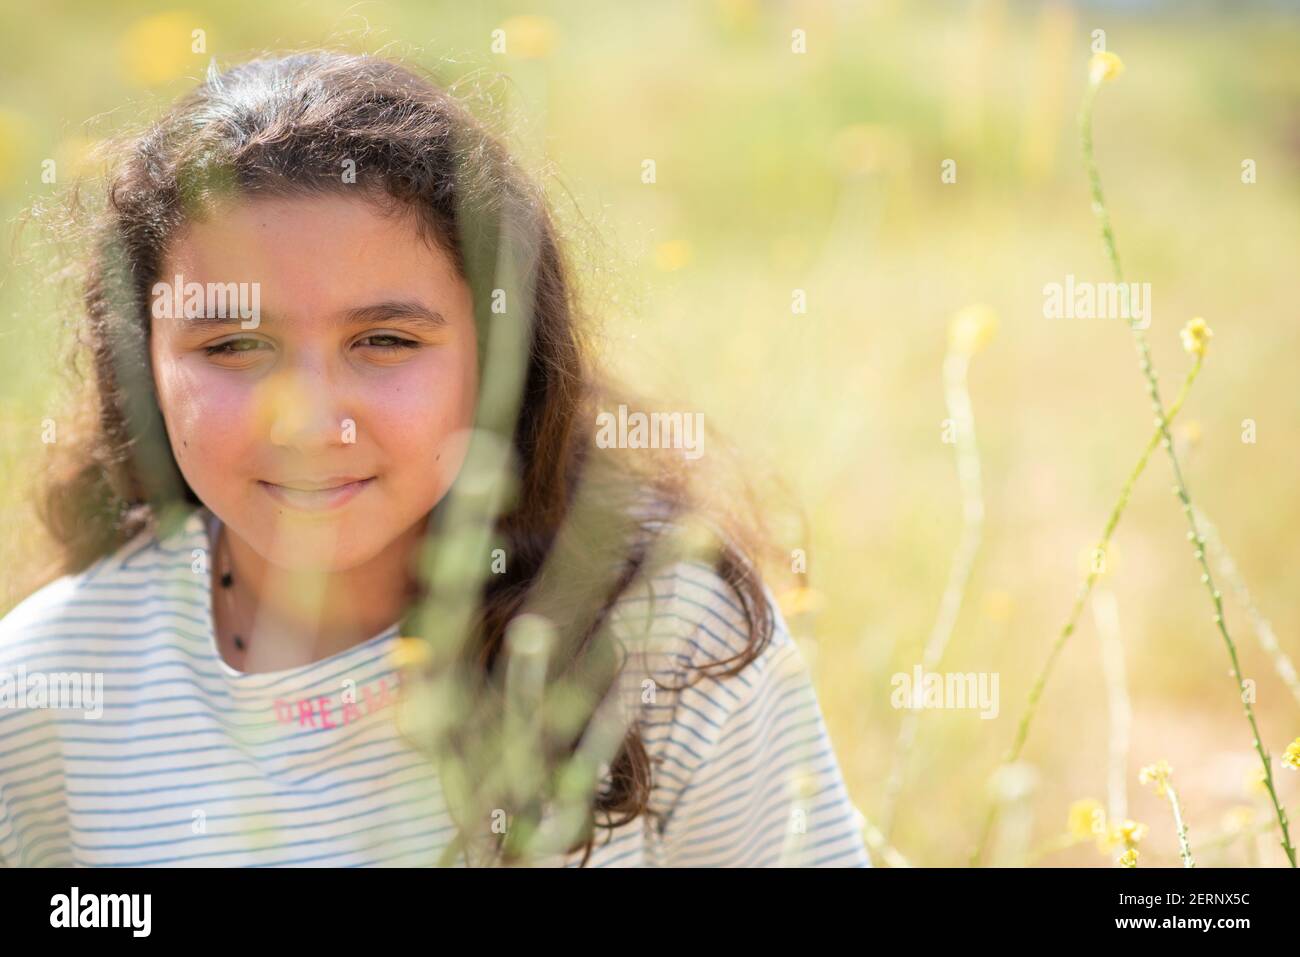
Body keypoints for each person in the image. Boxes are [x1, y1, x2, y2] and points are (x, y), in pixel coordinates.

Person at [0, 51, 868, 868]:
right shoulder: (47, 685)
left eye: (383, 339)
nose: (308, 420)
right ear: (140, 363)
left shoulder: (662, 626)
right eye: (234, 345)